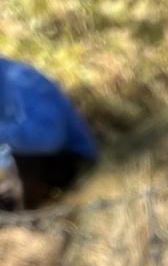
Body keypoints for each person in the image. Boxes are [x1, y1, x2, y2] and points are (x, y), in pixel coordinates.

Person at [0, 56, 98, 208]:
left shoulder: (20, 79)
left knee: (24, 158)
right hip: (28, 169)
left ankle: (34, 222)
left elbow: (49, 138)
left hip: (69, 161)